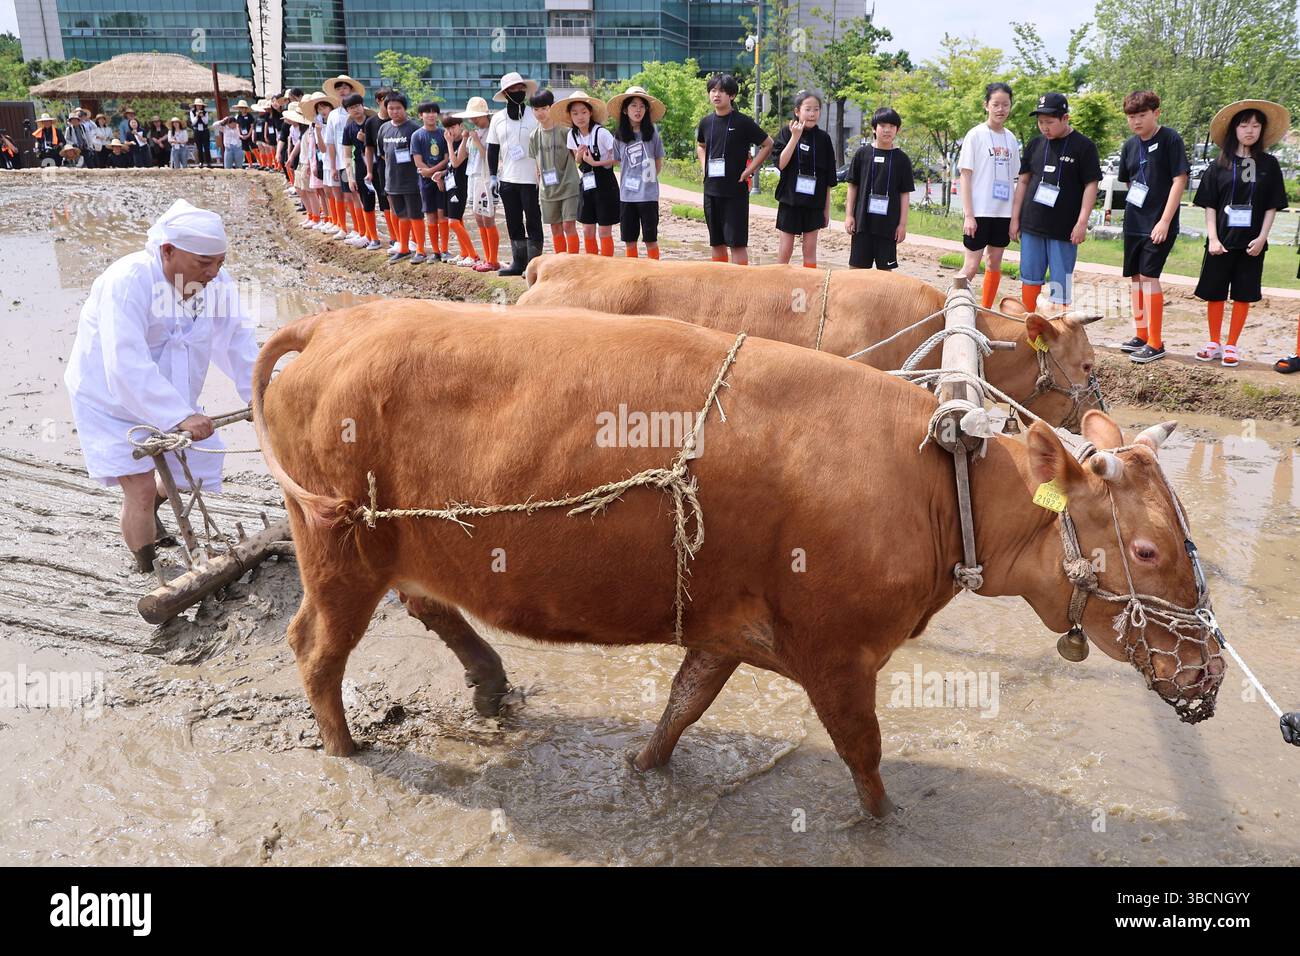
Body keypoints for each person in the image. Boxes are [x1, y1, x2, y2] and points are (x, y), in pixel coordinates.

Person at [63, 199, 257, 573]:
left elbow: (236, 338)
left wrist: (258, 392)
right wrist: (179, 415)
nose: (214, 272)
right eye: (204, 263)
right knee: (137, 487)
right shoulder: (128, 280)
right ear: (167, 251)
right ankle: (146, 568)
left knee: (191, 468)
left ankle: (153, 503)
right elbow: (124, 362)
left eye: (220, 262)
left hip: (169, 391)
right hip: (108, 398)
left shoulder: (214, 282)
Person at [1191, 99, 1291, 368]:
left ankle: (1232, 344)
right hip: (1221, 241)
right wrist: (1212, 237)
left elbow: (1272, 205)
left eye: (1256, 125)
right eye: (1244, 124)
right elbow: (1209, 204)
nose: (1250, 130)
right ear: (1234, 128)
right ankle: (1214, 342)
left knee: (1243, 294)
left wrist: (1262, 237)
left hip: (1252, 244)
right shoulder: (1219, 164)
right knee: (1215, 292)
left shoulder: (1269, 165)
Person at [1114, 91, 1191, 364]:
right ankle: (1141, 334)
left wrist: (1164, 220)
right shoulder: (1129, 146)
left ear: (1156, 113)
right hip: (1134, 222)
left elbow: (1179, 180)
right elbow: (1128, 182)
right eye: (1131, 116)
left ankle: (1156, 342)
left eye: (1142, 115)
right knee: (1135, 278)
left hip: (1159, 224)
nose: (1136, 121)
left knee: (1149, 278)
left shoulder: (1170, 139)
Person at [1010, 92, 1102, 314]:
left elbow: (1091, 185)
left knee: (1060, 283)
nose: (1044, 127)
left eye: (1050, 122)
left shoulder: (1084, 146)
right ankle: (1029, 322)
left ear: (1065, 118)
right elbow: (1023, 182)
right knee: (1030, 277)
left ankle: (1060, 327)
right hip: (1032, 223)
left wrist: (1082, 222)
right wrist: (1015, 218)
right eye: (1040, 122)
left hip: (1064, 228)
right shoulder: (1035, 145)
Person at [696, 73, 773, 265]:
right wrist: (704, 166)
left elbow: (768, 144)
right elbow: (701, 145)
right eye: (713, 90)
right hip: (711, 190)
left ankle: (741, 285)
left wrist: (749, 171)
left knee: (737, 243)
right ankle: (720, 282)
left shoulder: (742, 121)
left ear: (732, 96)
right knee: (716, 241)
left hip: (735, 192)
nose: (716, 95)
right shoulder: (706, 122)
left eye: (722, 91)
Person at [957, 82, 1022, 307]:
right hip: (979, 212)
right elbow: (965, 176)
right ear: (986, 105)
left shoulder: (1011, 139)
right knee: (972, 266)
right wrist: (969, 215)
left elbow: (1016, 179)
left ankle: (985, 309)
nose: (1001, 109)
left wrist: (1015, 217)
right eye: (996, 104)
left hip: (1002, 213)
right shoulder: (975, 135)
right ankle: (951, 305)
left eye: (1005, 104)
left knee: (995, 262)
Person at [771, 90, 836, 268]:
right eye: (808, 109)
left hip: (814, 204)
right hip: (790, 201)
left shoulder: (824, 139)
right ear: (797, 111)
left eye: (816, 109)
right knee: (785, 249)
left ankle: (810, 288)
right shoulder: (787, 132)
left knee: (810, 251)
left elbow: (828, 179)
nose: (812, 113)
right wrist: (795, 138)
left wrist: (826, 210)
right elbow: (781, 164)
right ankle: (779, 283)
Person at [488, 71, 544, 275]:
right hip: (508, 179)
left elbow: (543, 143)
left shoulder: (534, 114)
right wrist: (493, 175)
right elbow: (492, 148)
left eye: (522, 88)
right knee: (513, 220)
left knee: (533, 219)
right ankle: (518, 262)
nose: (519, 91)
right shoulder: (497, 119)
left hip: (532, 178)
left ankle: (534, 265)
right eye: (514, 89)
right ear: (505, 93)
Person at [844, 107, 915, 270]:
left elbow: (905, 194)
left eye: (892, 126)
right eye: (883, 125)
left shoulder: (902, 159)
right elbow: (852, 185)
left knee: (885, 273)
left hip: (888, 226)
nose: (887, 130)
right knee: (856, 270)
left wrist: (902, 225)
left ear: (897, 129)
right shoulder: (862, 154)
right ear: (874, 129)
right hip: (862, 223)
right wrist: (849, 215)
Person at [608, 85, 667, 259]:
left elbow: (658, 161)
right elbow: (618, 161)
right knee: (629, 239)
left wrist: (648, 181)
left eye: (642, 106)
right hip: (627, 195)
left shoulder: (653, 133)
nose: (638, 110)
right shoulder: (619, 136)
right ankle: (632, 274)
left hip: (648, 195)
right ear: (625, 110)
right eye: (633, 105)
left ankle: (654, 272)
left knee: (650, 239)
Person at [559, 91, 619, 256]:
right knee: (587, 229)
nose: (580, 117)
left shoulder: (602, 133)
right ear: (570, 115)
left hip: (605, 185)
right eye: (575, 113)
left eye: (584, 112)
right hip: (586, 184)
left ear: (590, 113)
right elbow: (577, 161)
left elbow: (618, 158)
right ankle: (591, 266)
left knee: (604, 231)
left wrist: (596, 163)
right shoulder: (572, 135)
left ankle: (606, 268)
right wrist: (579, 155)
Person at [528, 90, 581, 256]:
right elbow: (537, 164)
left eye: (544, 108)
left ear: (552, 107)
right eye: (536, 109)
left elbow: (577, 158)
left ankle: (572, 262)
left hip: (568, 185)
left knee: (568, 225)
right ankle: (560, 262)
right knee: (555, 227)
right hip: (547, 190)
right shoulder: (534, 136)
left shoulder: (565, 131)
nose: (540, 113)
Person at [377, 92, 425, 264]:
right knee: (401, 215)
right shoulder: (384, 128)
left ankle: (420, 249)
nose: (394, 111)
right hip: (392, 180)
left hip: (412, 181)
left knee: (416, 215)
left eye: (398, 108)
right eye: (391, 108)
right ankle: (403, 248)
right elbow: (382, 154)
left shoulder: (414, 128)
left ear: (405, 109)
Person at [457, 96, 501, 272]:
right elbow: (460, 159)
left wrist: (475, 139)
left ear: (485, 115)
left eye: (477, 116)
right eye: (471, 116)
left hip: (486, 177)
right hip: (472, 177)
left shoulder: (492, 132)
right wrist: (465, 138)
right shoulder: (473, 133)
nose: (473, 119)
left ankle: (493, 259)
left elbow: (489, 157)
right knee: (478, 218)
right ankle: (486, 258)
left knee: (488, 218)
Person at [341, 96, 382, 249]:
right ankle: (372, 237)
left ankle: (395, 239)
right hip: (360, 167)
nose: (356, 110)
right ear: (347, 111)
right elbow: (346, 154)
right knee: (366, 202)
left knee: (385, 201)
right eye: (351, 108)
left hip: (379, 165)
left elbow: (382, 145)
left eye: (358, 106)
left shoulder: (372, 123)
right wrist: (350, 178)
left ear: (363, 106)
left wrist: (366, 139)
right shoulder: (348, 128)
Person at [438, 112, 479, 265]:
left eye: (453, 127)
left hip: (461, 186)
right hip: (451, 185)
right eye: (447, 128)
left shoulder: (464, 140)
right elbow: (450, 166)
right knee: (457, 221)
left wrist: (449, 142)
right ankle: (464, 253)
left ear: (460, 126)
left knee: (453, 222)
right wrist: (441, 174)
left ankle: (473, 255)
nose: (450, 131)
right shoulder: (452, 142)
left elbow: (456, 163)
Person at [411, 101, 447, 262]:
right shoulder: (417, 135)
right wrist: (430, 174)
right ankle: (435, 251)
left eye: (434, 112)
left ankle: (445, 249)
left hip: (442, 178)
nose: (431, 115)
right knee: (430, 215)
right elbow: (418, 162)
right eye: (427, 112)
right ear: (421, 115)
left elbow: (447, 159)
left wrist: (433, 172)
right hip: (425, 182)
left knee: (442, 214)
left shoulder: (443, 133)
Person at [361, 88, 396, 252]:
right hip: (380, 167)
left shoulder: (398, 120)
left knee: (399, 202)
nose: (390, 105)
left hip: (400, 167)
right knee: (384, 202)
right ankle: (394, 237)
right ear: (378, 101)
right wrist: (369, 170)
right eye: (386, 100)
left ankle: (404, 238)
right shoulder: (371, 122)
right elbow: (368, 148)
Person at [189, 100, 212, 168]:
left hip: (204, 131)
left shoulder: (205, 112)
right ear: (195, 106)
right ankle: (201, 162)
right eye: (197, 105)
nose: (199, 106)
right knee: (199, 148)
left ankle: (208, 162)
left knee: (206, 147)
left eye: (200, 105)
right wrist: (196, 116)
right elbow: (193, 122)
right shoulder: (192, 112)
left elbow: (206, 122)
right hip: (197, 131)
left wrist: (202, 116)